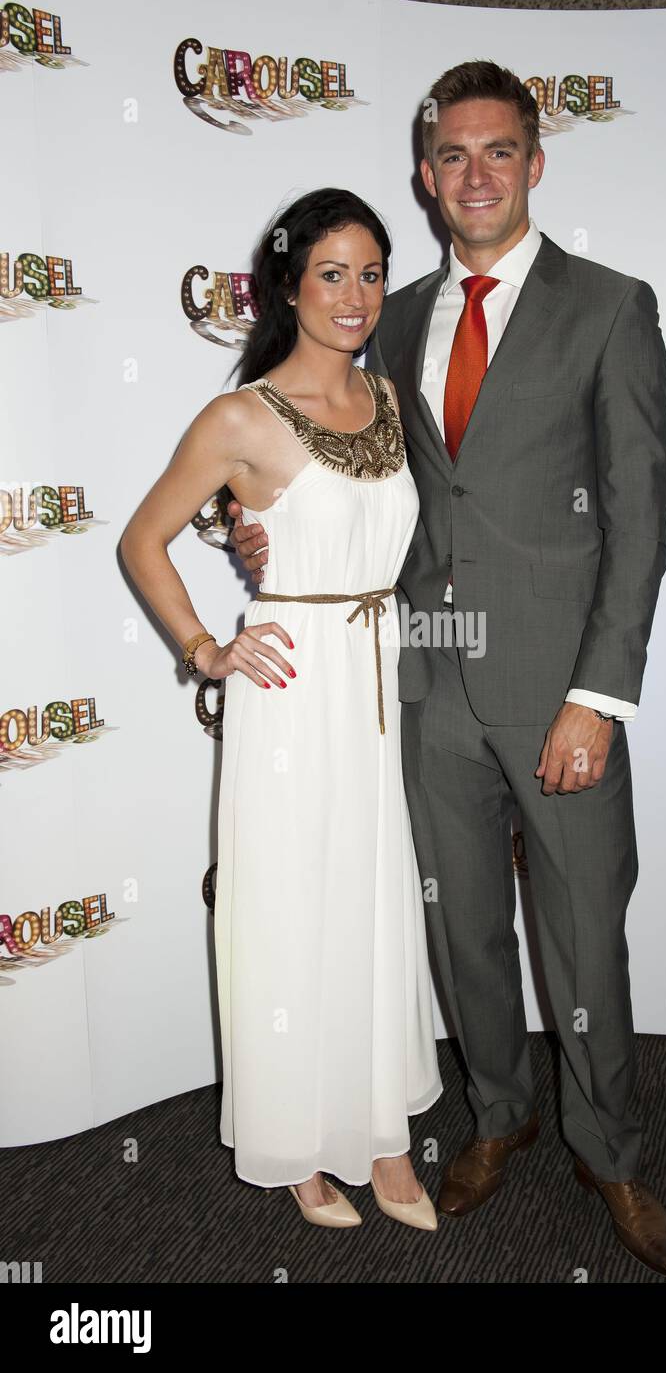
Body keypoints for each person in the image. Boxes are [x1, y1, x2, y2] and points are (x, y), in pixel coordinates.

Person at [230, 60, 666, 1276]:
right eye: (451, 155)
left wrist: (599, 697)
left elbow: (639, 518)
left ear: (535, 162)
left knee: (583, 937)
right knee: (462, 929)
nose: (474, 174)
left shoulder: (611, 307)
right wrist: (252, 525)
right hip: (426, 686)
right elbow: (329, 458)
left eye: (497, 151)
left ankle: (610, 1152)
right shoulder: (393, 318)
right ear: (426, 177)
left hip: (561, 688)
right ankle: (498, 1114)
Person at [120, 189, 443, 1232]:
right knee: (290, 911)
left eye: (371, 273)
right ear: (289, 287)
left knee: (373, 903)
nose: (355, 296)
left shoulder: (391, 398)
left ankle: (383, 1135)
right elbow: (141, 540)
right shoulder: (240, 417)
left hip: (378, 684)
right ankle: (298, 1142)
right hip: (292, 691)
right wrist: (206, 650)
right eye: (331, 274)